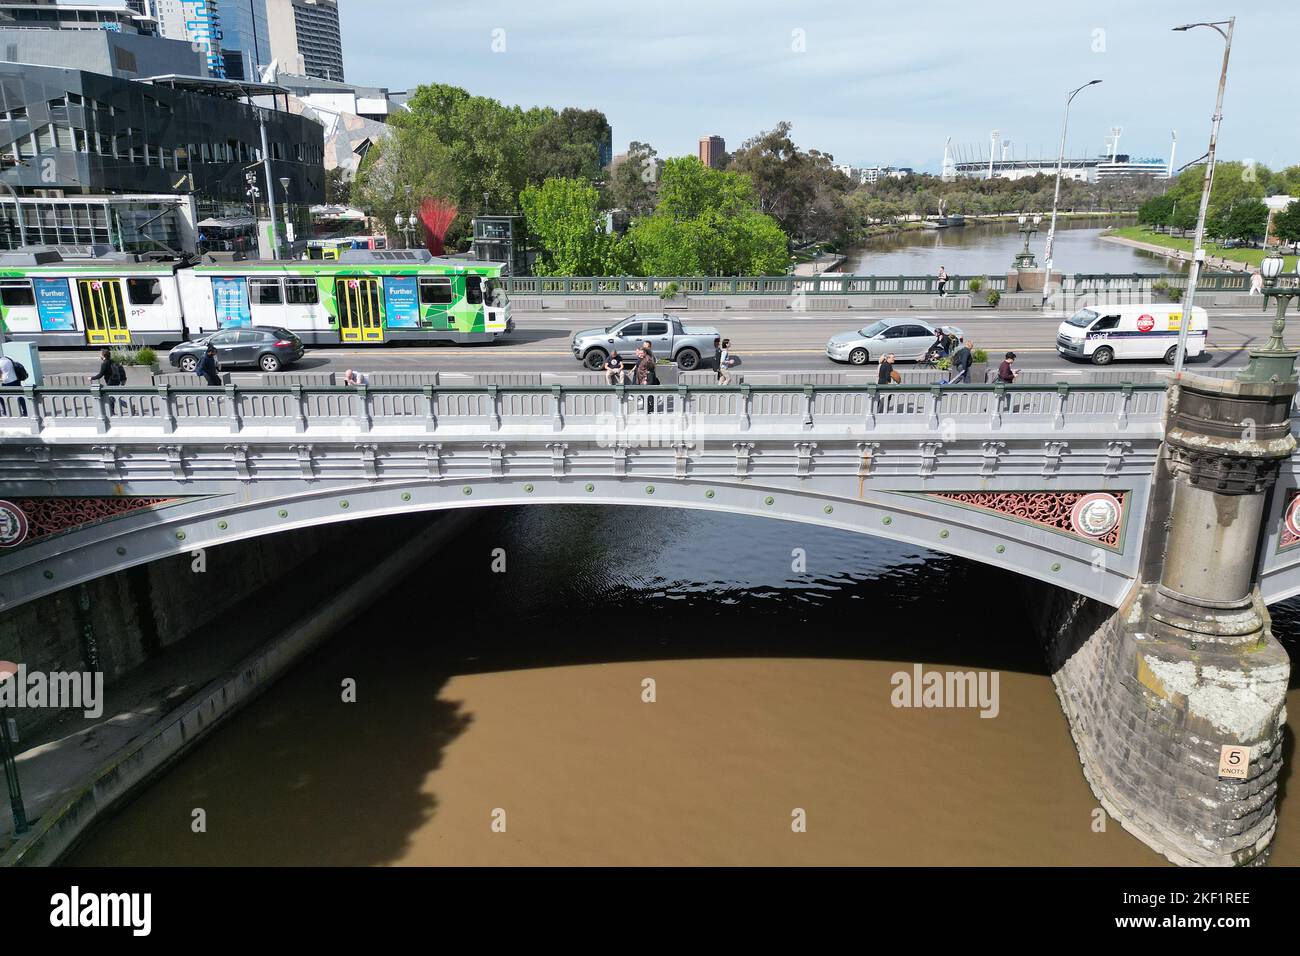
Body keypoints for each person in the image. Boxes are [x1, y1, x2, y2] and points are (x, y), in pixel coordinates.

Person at [0, 351, 27, 416]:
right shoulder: (8, 358)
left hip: (7, 382)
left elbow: (0, 374)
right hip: (16, 379)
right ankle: (25, 411)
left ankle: (5, 411)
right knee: (20, 396)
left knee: (1, 397)